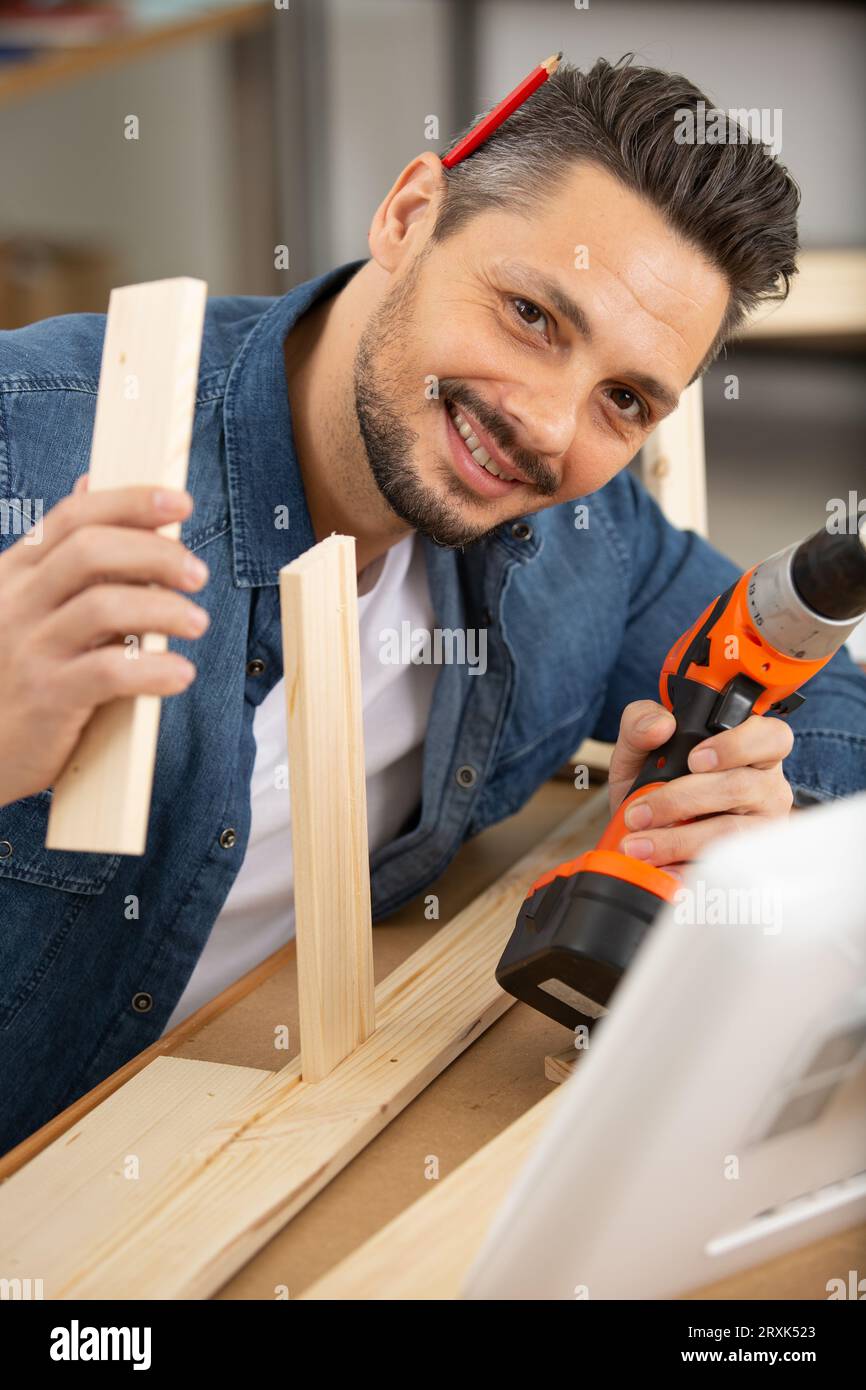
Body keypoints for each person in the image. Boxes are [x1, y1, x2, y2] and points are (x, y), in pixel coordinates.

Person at [1, 56, 864, 1154]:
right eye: (530, 315)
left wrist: (754, 812)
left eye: (623, 398)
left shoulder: (584, 541)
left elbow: (832, 706)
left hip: (238, 1143)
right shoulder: (26, 448)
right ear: (411, 216)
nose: (550, 429)